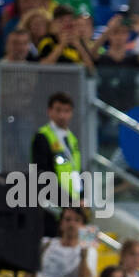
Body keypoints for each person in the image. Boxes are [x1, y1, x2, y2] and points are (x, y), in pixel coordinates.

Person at [31, 91, 81, 237]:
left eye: (66, 111)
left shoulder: (72, 139)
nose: (62, 115)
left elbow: (76, 170)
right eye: (58, 110)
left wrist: (82, 197)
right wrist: (68, 203)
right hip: (53, 208)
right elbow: (44, 176)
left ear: (71, 113)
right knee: (54, 247)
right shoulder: (43, 137)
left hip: (71, 208)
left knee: (77, 249)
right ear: (49, 112)